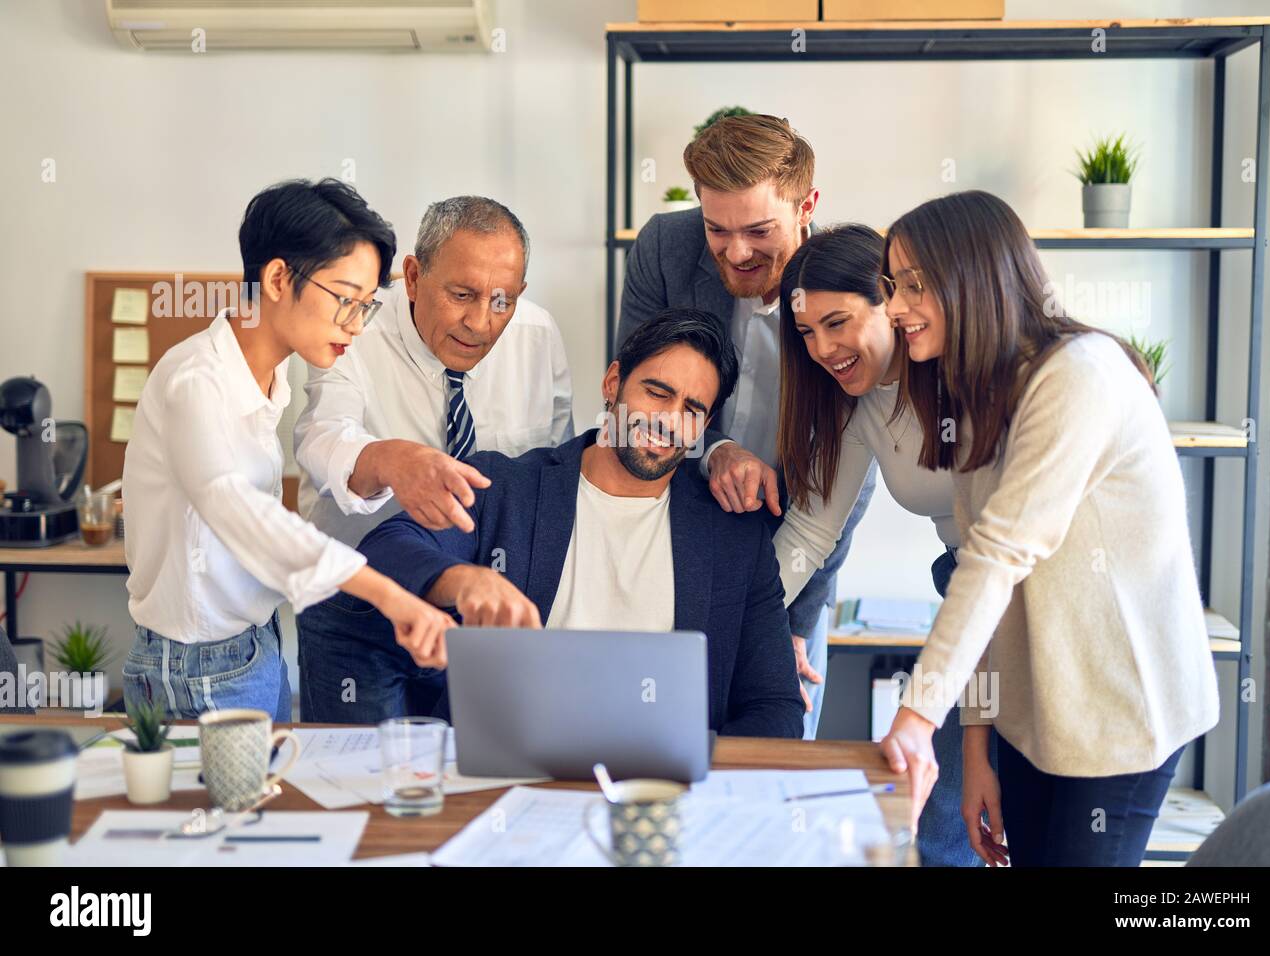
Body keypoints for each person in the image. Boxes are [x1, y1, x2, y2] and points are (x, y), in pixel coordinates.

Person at [875, 190, 1218, 867]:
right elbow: (981, 572)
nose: (893, 308)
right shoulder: (977, 394)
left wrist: (917, 717)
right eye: (893, 286)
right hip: (1038, 717)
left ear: (976, 280)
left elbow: (1000, 555)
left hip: (1121, 716)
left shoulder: (1078, 378)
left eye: (914, 286)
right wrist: (976, 748)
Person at [307, 308, 805, 736]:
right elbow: (387, 548)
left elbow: (775, 708)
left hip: (664, 789)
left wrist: (700, 774)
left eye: (692, 409)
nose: (669, 421)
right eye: (657, 392)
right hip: (509, 771)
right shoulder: (504, 487)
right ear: (613, 383)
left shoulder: (733, 532)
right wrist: (458, 579)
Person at [121, 179, 451, 722]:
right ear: (278, 278)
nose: (356, 326)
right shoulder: (196, 380)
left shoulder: (269, 376)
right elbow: (235, 507)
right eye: (345, 299)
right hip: (195, 666)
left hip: (256, 645)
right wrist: (387, 594)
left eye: (366, 306)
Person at [618, 113, 875, 737]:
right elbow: (634, 398)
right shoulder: (664, 248)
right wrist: (714, 450)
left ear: (805, 204)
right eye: (717, 229)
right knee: (659, 738)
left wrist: (784, 625)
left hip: (798, 543)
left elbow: (844, 491)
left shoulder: (846, 291)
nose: (736, 252)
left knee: (775, 755)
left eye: (759, 230)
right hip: (674, 535)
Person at [293, 195, 572, 721]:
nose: (481, 323)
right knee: (362, 782)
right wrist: (390, 459)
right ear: (414, 276)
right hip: (359, 609)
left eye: (501, 300)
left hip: (482, 611)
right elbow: (320, 437)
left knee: (480, 784)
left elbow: (552, 475)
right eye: (462, 294)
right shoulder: (353, 325)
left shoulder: (537, 336)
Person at [769, 223, 988, 866]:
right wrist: (736, 626)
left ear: (890, 302)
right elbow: (809, 533)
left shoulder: (968, 372)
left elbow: (1007, 546)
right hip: (966, 589)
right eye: (807, 332)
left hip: (1022, 594)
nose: (823, 349)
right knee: (946, 829)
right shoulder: (858, 402)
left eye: (837, 322)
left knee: (983, 816)